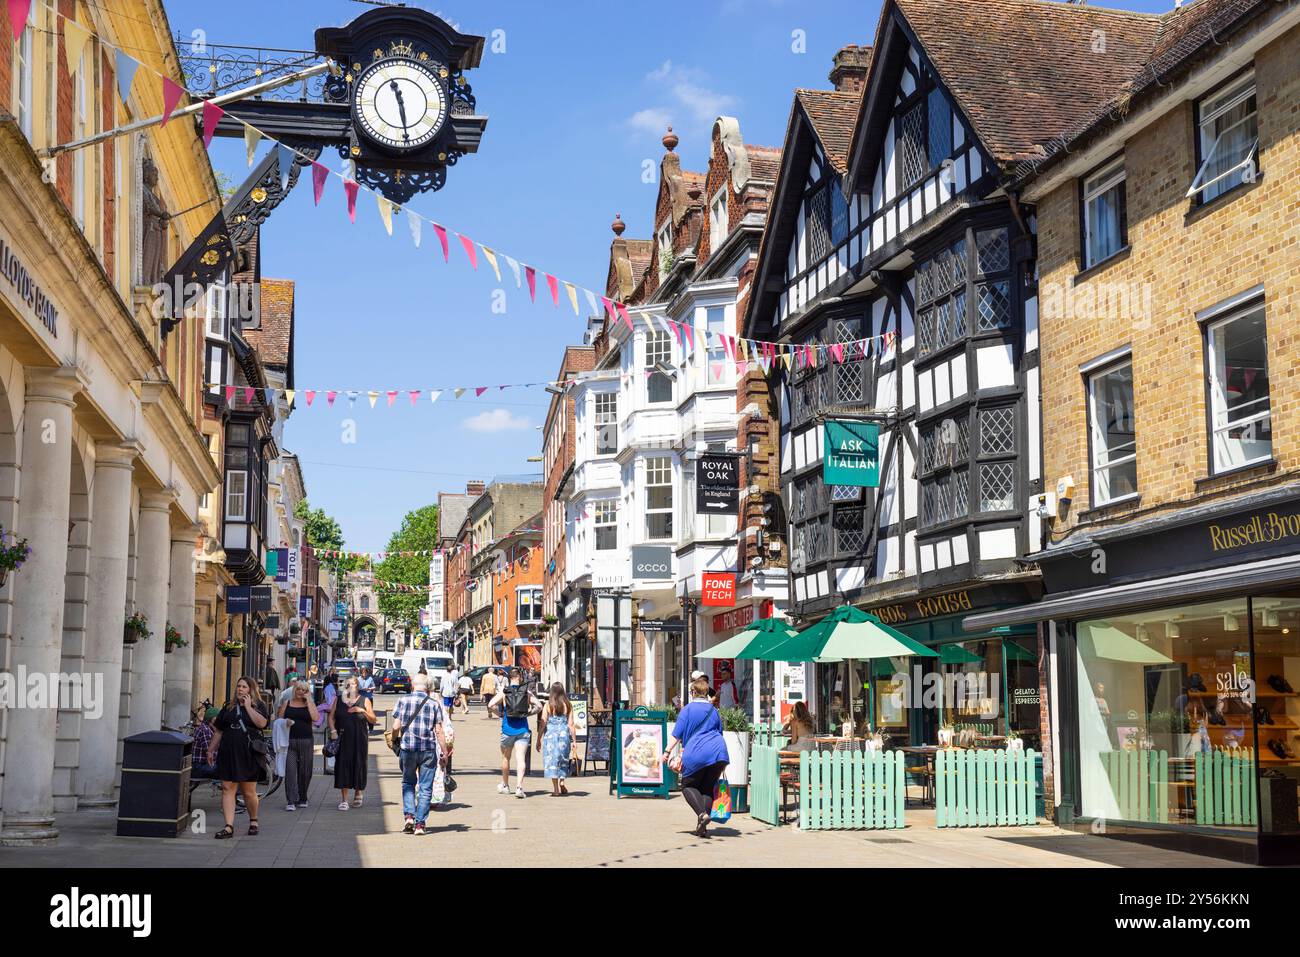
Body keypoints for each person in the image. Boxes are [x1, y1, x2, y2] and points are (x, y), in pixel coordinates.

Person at [662, 675, 731, 838]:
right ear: (706, 693)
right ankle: (703, 827)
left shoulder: (687, 710)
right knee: (706, 788)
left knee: (688, 786)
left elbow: (676, 735)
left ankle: (702, 814)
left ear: (693, 692)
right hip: (718, 753)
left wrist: (666, 752)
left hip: (697, 753)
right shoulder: (714, 711)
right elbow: (719, 733)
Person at [209, 676, 271, 838]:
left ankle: (253, 821)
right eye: (238, 686)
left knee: (248, 792)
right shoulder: (228, 707)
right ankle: (229, 826)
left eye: (244, 687)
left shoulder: (259, 706)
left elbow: (262, 724)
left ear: (251, 690)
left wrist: (249, 707)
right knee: (227, 789)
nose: (240, 689)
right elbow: (219, 731)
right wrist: (210, 750)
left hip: (248, 754)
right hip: (228, 753)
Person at [391, 673, 450, 836]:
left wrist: (395, 740)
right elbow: (439, 731)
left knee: (408, 783)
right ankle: (420, 824)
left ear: (412, 685)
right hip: (428, 751)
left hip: (408, 748)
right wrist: (444, 753)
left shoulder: (402, 701)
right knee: (425, 787)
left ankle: (409, 816)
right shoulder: (433, 704)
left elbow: (396, 726)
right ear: (427, 688)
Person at [489, 667, 540, 799]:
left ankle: (505, 786)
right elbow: (539, 706)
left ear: (510, 678)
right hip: (523, 729)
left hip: (507, 729)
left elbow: (491, 705)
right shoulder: (526, 692)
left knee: (506, 758)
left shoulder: (504, 692)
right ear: (519, 677)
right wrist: (528, 713)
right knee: (521, 759)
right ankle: (519, 788)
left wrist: (500, 714)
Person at [329, 676, 376, 809]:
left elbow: (373, 720)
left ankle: (358, 792)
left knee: (358, 764)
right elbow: (331, 717)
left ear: (357, 686)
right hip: (343, 738)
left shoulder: (364, 700)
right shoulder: (338, 700)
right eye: (348, 684)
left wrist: (361, 711)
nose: (351, 686)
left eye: (354, 684)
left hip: (359, 738)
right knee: (343, 765)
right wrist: (333, 731)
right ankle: (344, 800)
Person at [278, 680, 319, 811]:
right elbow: (279, 721)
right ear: (294, 691)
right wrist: (286, 722)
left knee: (305, 772)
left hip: (306, 741)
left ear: (307, 692)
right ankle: (291, 800)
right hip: (289, 741)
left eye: (304, 690)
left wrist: (309, 701)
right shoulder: (287, 703)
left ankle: (303, 797)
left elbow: (316, 718)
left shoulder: (309, 704)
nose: (300, 692)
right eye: (298, 689)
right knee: (290, 771)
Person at [538, 683, 577, 797]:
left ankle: (556, 789)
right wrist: (574, 741)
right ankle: (562, 782)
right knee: (563, 759)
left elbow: (542, 723)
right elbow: (571, 724)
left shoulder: (548, 705)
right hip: (564, 737)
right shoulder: (568, 705)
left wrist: (538, 739)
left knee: (552, 762)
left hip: (551, 737)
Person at [191, 706, 219, 778]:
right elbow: (211, 753)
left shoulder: (211, 730)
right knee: (227, 770)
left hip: (204, 765)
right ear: (211, 720)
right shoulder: (205, 730)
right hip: (198, 767)